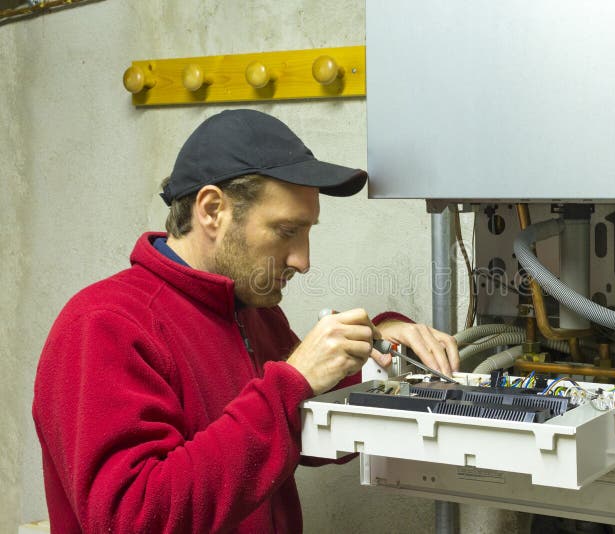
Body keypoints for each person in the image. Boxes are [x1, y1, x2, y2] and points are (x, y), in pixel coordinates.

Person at [32, 109, 460, 533]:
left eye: (308, 231)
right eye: (286, 231)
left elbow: (294, 429)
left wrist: (377, 352)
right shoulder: (105, 325)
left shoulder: (251, 310)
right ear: (212, 210)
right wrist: (290, 383)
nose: (303, 261)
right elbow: (134, 516)